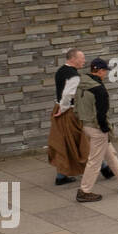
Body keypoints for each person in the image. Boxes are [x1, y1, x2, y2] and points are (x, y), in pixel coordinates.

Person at [73, 58, 118, 203]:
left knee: (110, 155)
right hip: (97, 128)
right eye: (104, 71)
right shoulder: (99, 90)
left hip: (86, 124)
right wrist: (105, 129)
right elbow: (101, 114)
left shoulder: (80, 83)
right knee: (95, 161)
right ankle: (84, 191)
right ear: (100, 71)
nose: (105, 74)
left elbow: (75, 104)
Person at [47, 48, 88, 184]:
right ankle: (105, 167)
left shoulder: (61, 70)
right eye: (82, 58)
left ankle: (61, 177)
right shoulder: (74, 75)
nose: (84, 61)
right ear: (73, 59)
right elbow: (68, 94)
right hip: (68, 111)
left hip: (58, 107)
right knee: (82, 140)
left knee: (63, 142)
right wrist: (63, 109)